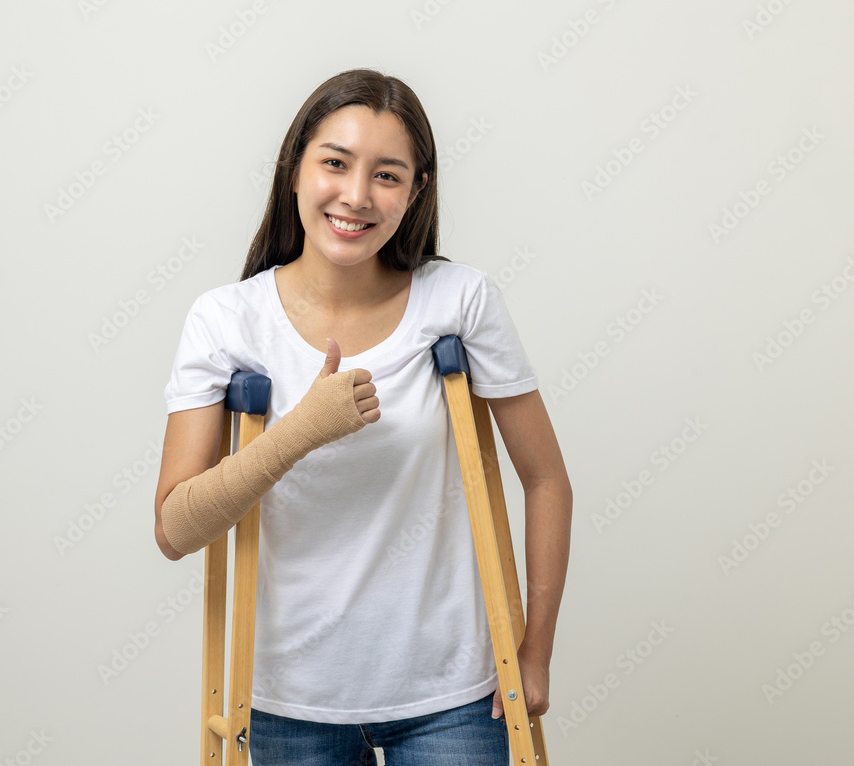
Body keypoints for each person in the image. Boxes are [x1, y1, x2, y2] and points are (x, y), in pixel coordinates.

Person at [154, 68, 572, 766]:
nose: (356, 195)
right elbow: (174, 530)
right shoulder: (226, 320)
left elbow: (546, 479)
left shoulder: (460, 300)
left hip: (454, 696)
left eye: (387, 175)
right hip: (290, 703)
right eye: (335, 163)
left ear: (416, 191)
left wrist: (535, 652)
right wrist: (299, 432)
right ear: (294, 169)